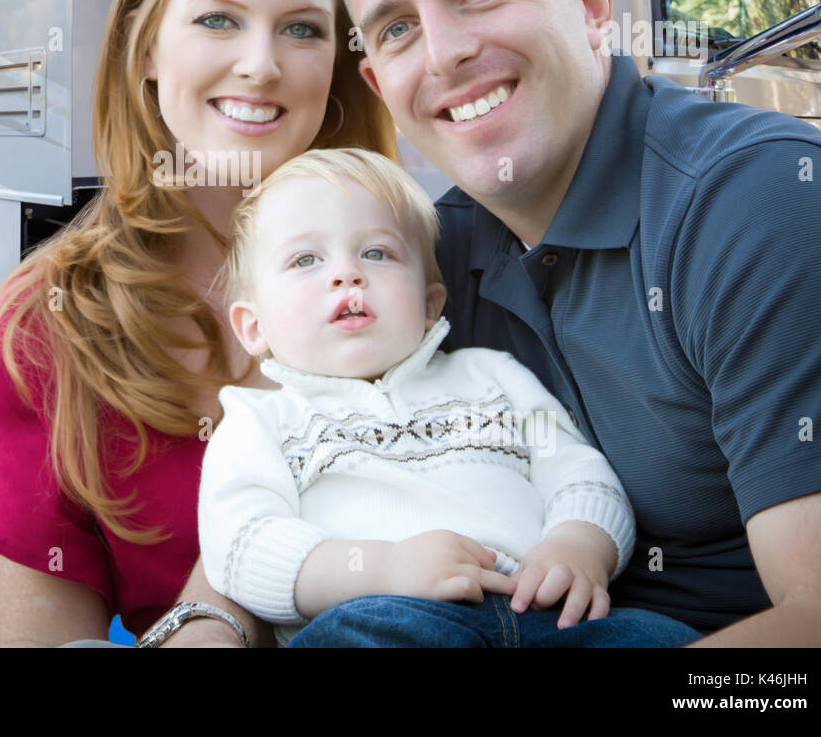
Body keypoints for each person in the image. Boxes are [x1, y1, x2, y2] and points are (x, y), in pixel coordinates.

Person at [311, 0, 821, 646]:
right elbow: (294, 434)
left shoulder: (761, 204)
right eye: (396, 28)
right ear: (377, 85)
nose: (446, 51)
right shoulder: (433, 257)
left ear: (592, 4)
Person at [0, 0, 398, 646]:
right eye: (219, 21)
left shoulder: (413, 262)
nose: (261, 64)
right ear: (144, 47)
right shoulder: (46, 326)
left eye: (302, 28)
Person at [198, 146, 702, 647]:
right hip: (383, 616)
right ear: (253, 325)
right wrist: (383, 568)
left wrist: (578, 544)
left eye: (377, 253)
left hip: (542, 610)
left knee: (660, 637)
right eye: (305, 259)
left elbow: (579, 471)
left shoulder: (491, 373)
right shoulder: (260, 420)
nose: (346, 273)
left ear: (429, 304)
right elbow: (242, 546)